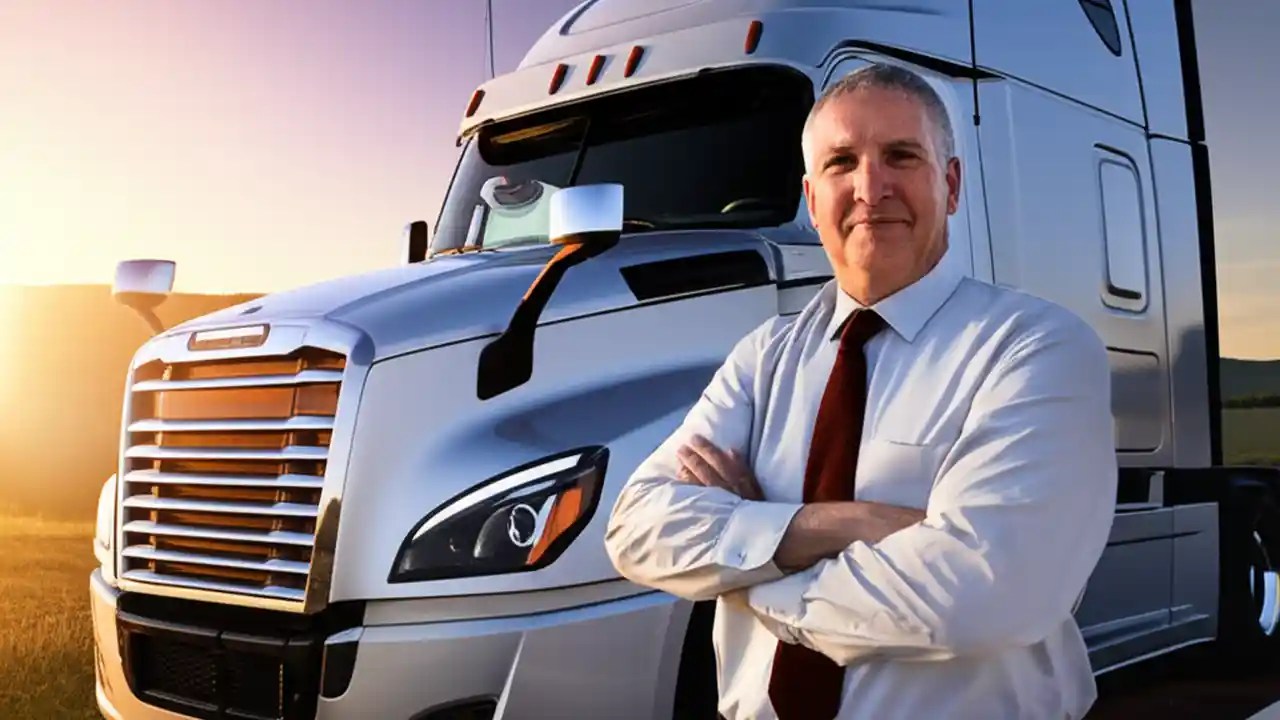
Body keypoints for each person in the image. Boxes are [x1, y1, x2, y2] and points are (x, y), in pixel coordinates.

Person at [603, 62, 1117, 720]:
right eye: (842, 162)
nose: (871, 187)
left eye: (901, 156)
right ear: (812, 199)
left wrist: (752, 572)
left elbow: (986, 591)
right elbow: (637, 528)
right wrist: (838, 524)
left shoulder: (1034, 347)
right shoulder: (764, 357)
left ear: (951, 185)